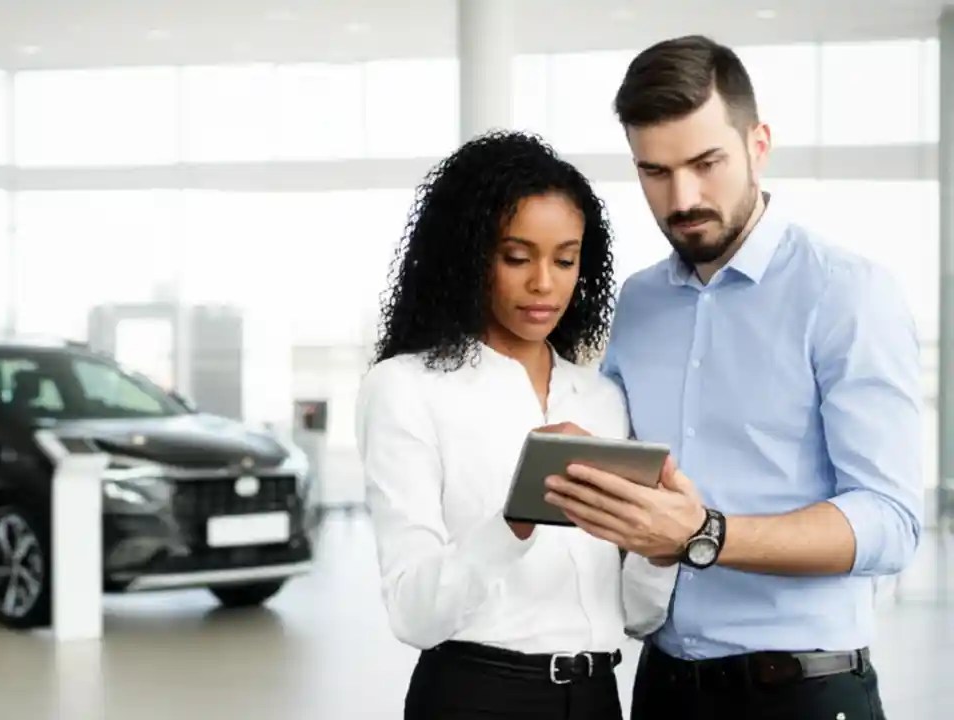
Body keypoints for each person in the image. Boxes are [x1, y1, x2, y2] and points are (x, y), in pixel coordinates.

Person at [542, 35, 923, 720]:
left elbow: (891, 522)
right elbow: (633, 471)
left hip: (803, 692)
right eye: (654, 172)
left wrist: (705, 535)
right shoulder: (640, 301)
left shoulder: (847, 293)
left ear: (758, 144)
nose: (682, 197)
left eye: (705, 162)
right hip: (663, 687)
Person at [354, 130, 677, 720]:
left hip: (600, 698)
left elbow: (636, 616)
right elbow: (413, 611)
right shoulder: (406, 388)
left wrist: (661, 547)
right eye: (517, 257)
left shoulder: (601, 397)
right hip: (478, 697)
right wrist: (518, 518)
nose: (544, 284)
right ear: (469, 254)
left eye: (565, 258)